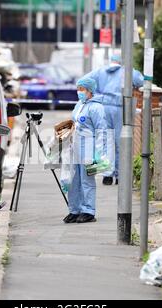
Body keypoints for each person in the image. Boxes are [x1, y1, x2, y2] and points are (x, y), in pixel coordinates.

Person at [85, 54, 144, 185]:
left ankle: (106, 175)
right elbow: (141, 81)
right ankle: (119, 175)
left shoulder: (100, 71)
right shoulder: (127, 71)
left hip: (103, 107)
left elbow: (83, 81)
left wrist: (97, 95)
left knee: (105, 141)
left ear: (111, 61)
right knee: (120, 142)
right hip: (120, 107)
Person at [63, 77, 108, 224]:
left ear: (90, 90)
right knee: (73, 180)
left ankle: (88, 211)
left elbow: (102, 131)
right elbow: (74, 122)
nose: (79, 92)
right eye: (78, 88)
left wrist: (100, 153)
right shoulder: (80, 104)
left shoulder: (97, 108)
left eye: (82, 89)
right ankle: (74, 210)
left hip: (90, 147)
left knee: (87, 180)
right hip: (75, 145)